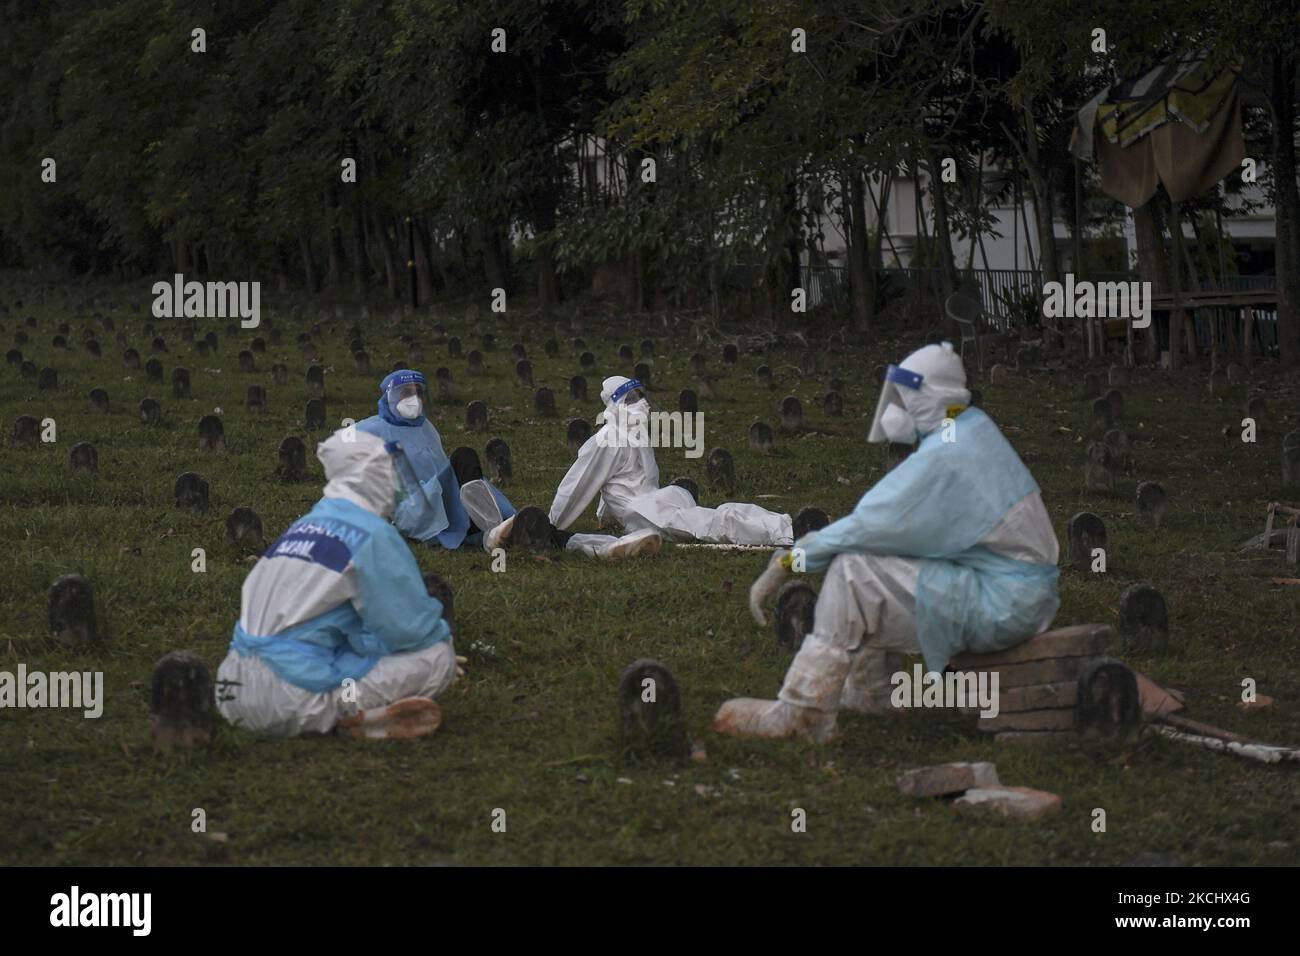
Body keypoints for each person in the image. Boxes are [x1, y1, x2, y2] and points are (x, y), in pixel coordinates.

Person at [714, 342, 1060, 741]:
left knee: (853, 571)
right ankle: (871, 692)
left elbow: (868, 525)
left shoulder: (947, 452)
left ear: (928, 396)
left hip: (1004, 601)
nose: (900, 407)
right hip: (1014, 590)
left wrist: (787, 563)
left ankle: (802, 712)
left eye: (906, 396)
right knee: (876, 557)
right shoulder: (971, 428)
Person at [215, 429, 457, 738]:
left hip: (230, 690)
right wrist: (435, 627)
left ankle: (343, 711)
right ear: (371, 474)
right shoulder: (372, 534)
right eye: (391, 469)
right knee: (437, 655)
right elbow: (411, 631)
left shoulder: (304, 525)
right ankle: (344, 715)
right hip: (289, 697)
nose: (398, 482)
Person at [540, 375, 793, 546]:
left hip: (657, 503)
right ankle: (782, 530)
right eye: (630, 399)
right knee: (714, 521)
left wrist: (603, 517)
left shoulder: (635, 432)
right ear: (614, 406)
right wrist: (549, 527)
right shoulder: (606, 441)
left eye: (639, 396)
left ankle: (784, 525)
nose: (639, 403)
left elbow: (613, 480)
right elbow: (577, 485)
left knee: (716, 516)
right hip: (645, 513)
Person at [355, 369, 514, 548]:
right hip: (410, 508)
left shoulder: (425, 427)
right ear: (390, 396)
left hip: (438, 495)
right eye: (406, 392)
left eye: (418, 392)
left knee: (466, 478)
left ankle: (494, 535)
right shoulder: (367, 431)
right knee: (463, 458)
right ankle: (493, 527)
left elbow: (440, 467)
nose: (413, 398)